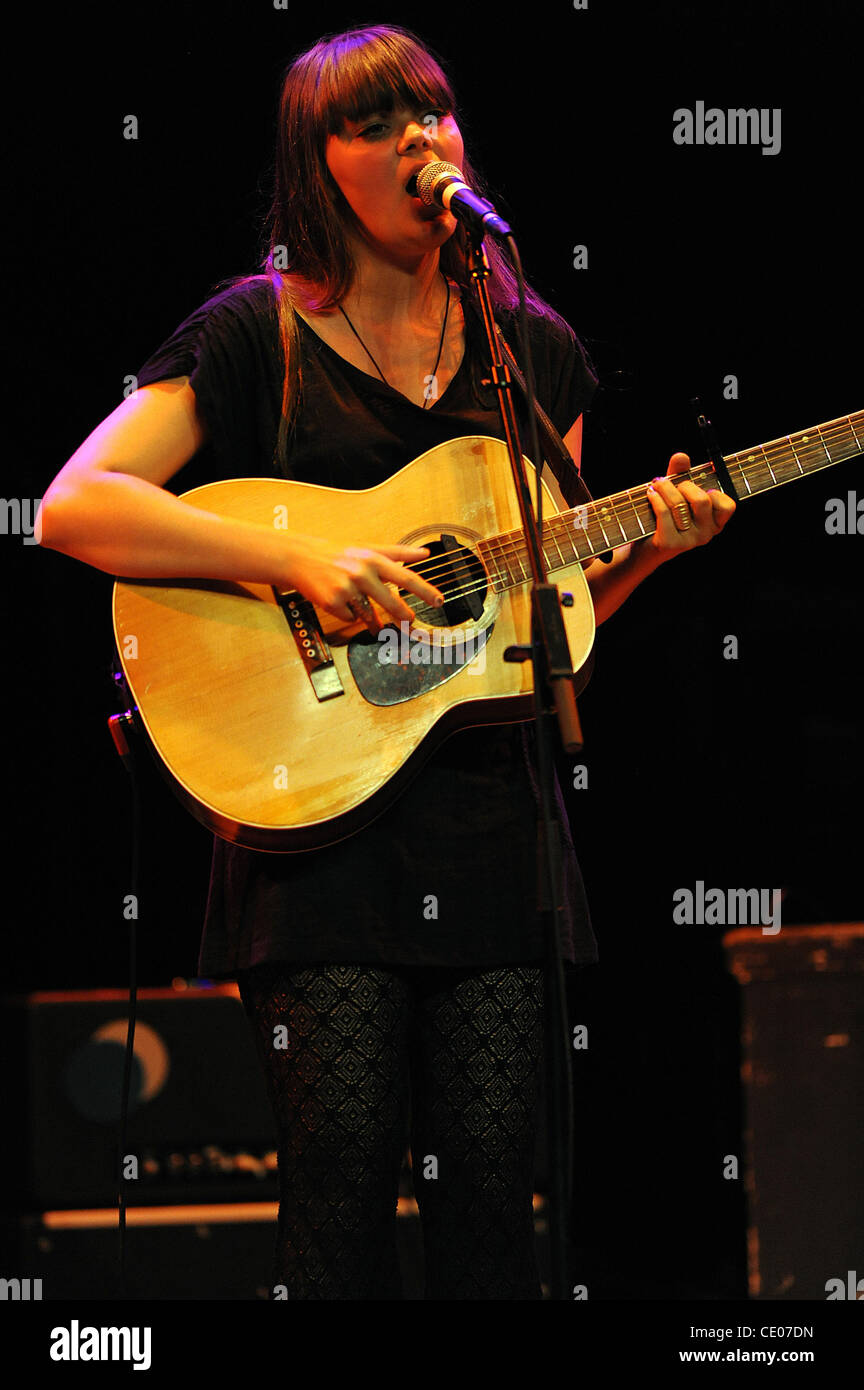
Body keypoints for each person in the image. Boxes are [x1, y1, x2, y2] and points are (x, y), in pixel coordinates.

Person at [38, 24, 735, 1299]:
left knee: (489, 1200)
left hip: (493, 835)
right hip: (316, 838)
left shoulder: (538, 352)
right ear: (321, 166)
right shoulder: (260, 334)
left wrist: (655, 553)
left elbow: (547, 627)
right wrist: (302, 564)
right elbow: (77, 507)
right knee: (342, 1187)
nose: (424, 140)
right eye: (380, 123)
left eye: (436, 114)